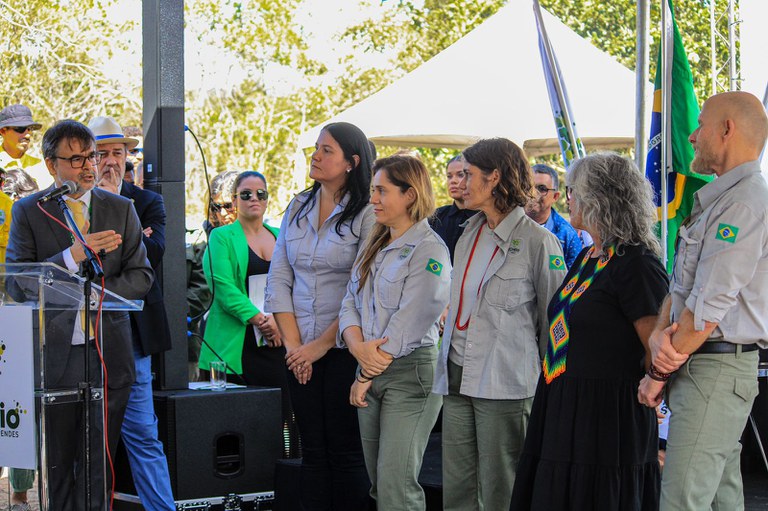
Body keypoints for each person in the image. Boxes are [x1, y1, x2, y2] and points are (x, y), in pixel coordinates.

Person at [6, 120, 152, 510]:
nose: (88, 166)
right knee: (59, 466)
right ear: (50, 164)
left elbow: (142, 276)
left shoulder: (120, 208)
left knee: (99, 466)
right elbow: (17, 282)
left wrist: (96, 296)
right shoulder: (29, 211)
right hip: (56, 357)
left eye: (91, 156)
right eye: (75, 159)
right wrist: (73, 255)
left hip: (109, 354)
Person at [510, 153, 669, 510]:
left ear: (600, 197)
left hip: (609, 419)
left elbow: (655, 348)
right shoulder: (587, 258)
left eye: (573, 191)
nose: (568, 200)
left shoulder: (637, 265)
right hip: (564, 404)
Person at [637, 90, 768, 511]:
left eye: (700, 125)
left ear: (727, 129)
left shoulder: (743, 203)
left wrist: (657, 372)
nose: (692, 136)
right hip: (705, 367)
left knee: (681, 502)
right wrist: (659, 334)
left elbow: (706, 310)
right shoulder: (724, 198)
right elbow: (683, 287)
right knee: (719, 500)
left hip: (715, 368)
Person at [433, 138, 566, 511]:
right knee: (457, 489)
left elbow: (555, 324)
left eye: (468, 174)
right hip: (456, 375)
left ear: (494, 177)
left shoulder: (540, 242)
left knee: (501, 491)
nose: (460, 182)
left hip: (506, 384)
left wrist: (549, 392)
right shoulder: (467, 232)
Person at [265, 121, 374, 510]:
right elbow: (278, 278)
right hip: (300, 353)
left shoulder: (368, 212)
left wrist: (320, 346)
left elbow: (361, 290)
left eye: (327, 150)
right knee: (311, 451)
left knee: (346, 453)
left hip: (345, 349)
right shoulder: (298, 205)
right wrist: (296, 348)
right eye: (316, 148)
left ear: (351, 162)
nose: (315, 155)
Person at [340, 155, 450, 510]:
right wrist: (357, 348)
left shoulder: (430, 248)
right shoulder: (375, 241)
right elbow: (350, 302)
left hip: (410, 374)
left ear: (410, 195)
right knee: (379, 485)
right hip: (369, 367)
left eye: (382, 191)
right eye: (373, 190)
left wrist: (365, 371)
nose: (372, 199)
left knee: (396, 488)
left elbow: (413, 318)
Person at [87, 115, 175, 510]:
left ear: (128, 157)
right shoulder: (69, 205)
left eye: (117, 153)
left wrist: (118, 211)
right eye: (101, 153)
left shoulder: (148, 202)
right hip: (83, 337)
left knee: (142, 432)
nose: (110, 161)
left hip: (134, 337)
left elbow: (152, 256)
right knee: (88, 436)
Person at [199, 171, 300, 458]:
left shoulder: (282, 236)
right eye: (246, 194)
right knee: (238, 424)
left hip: (279, 343)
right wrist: (262, 320)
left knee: (283, 418)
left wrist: (279, 322)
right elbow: (222, 286)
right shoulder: (221, 237)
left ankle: (283, 474)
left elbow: (297, 284)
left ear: (268, 200)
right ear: (234, 201)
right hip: (236, 346)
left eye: (260, 194)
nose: (254, 199)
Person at [526, 163, 583, 268]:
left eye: (541, 189)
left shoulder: (566, 235)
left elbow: (575, 274)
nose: (533, 193)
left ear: (555, 196)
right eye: (529, 187)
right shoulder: (510, 225)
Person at [429, 154, 477, 262]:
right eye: (449, 176)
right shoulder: (436, 216)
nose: (453, 181)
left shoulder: (484, 218)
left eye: (460, 175)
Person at [0, 104, 51, 189]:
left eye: (30, 129)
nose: (27, 135)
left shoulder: (41, 167)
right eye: (20, 128)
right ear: (3, 131)